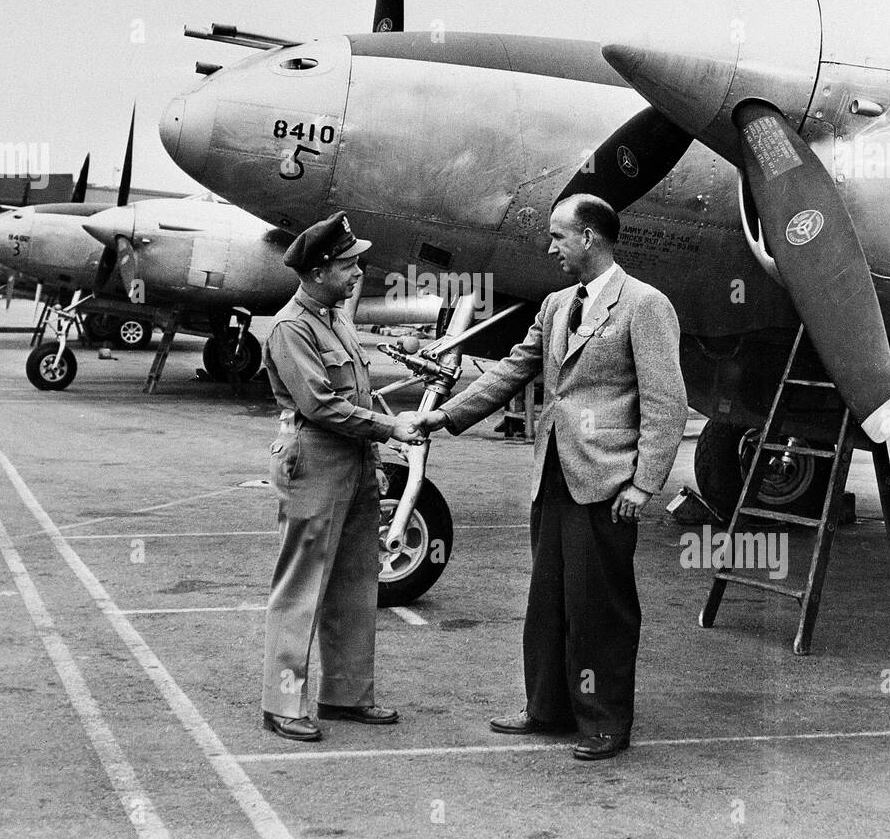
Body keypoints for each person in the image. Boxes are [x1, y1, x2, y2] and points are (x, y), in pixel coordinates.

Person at [413, 194, 687, 760]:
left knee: (599, 609)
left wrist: (642, 484)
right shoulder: (558, 304)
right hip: (554, 474)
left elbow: (667, 403)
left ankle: (605, 722)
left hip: (607, 480)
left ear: (590, 238)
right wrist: (446, 415)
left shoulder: (645, 304)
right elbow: (515, 369)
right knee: (549, 601)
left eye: (559, 236)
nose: (550, 246)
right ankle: (548, 708)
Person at [261, 211, 422, 742]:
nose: (357, 273)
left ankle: (345, 695)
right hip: (313, 459)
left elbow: (354, 395)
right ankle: (283, 703)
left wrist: (373, 463)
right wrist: (389, 428)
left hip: (352, 459)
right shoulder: (292, 328)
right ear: (317, 271)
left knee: (356, 581)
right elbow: (321, 404)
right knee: (302, 585)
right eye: (349, 264)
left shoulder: (337, 319)